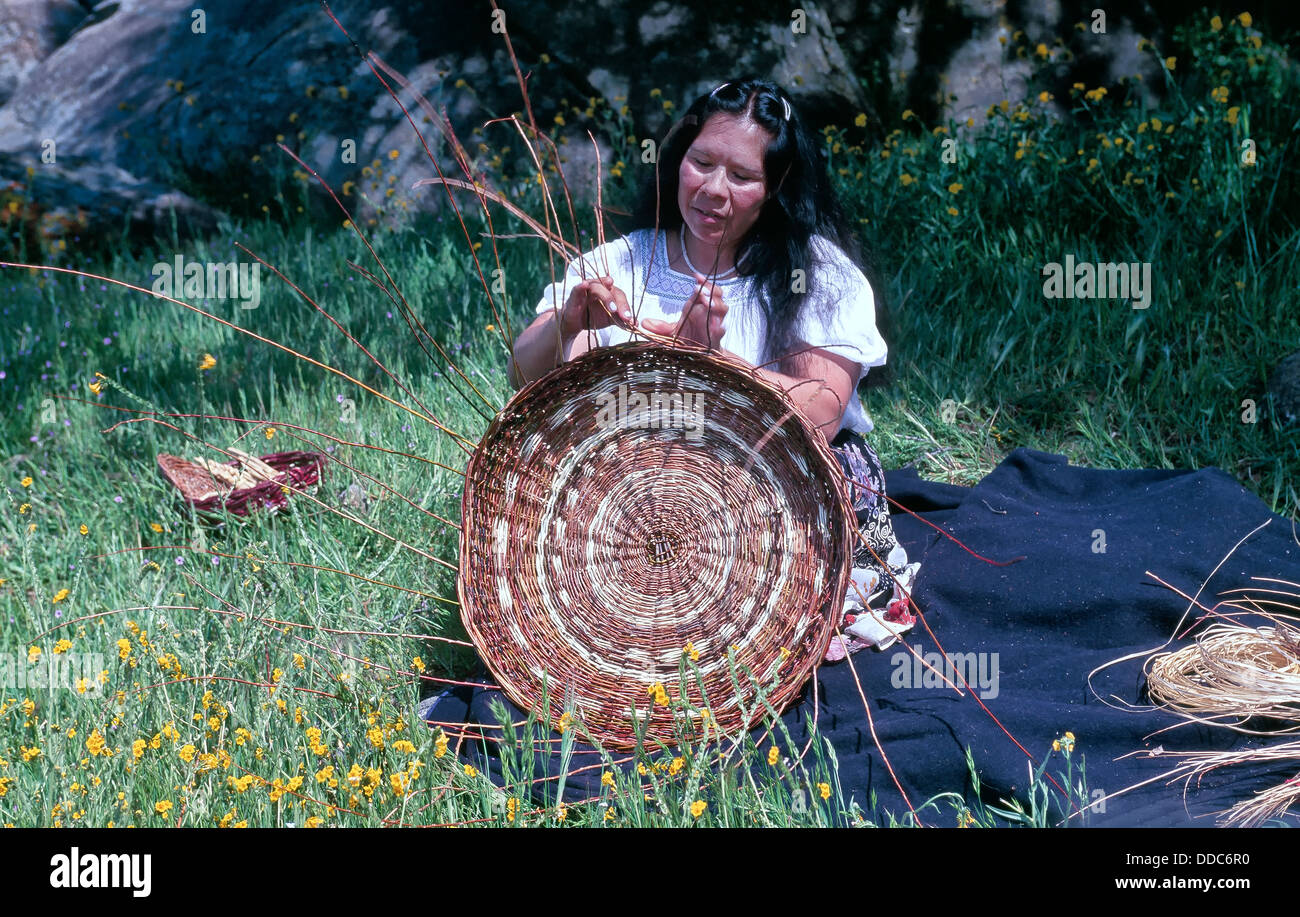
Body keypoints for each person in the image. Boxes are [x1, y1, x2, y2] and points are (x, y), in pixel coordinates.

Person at [508, 77, 920, 661]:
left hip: (781, 491)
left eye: (743, 177)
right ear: (679, 160)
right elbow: (527, 375)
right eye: (701, 163)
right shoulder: (620, 261)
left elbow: (820, 414)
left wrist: (711, 366)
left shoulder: (815, 274)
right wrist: (569, 323)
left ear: (775, 187)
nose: (714, 191)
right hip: (644, 504)